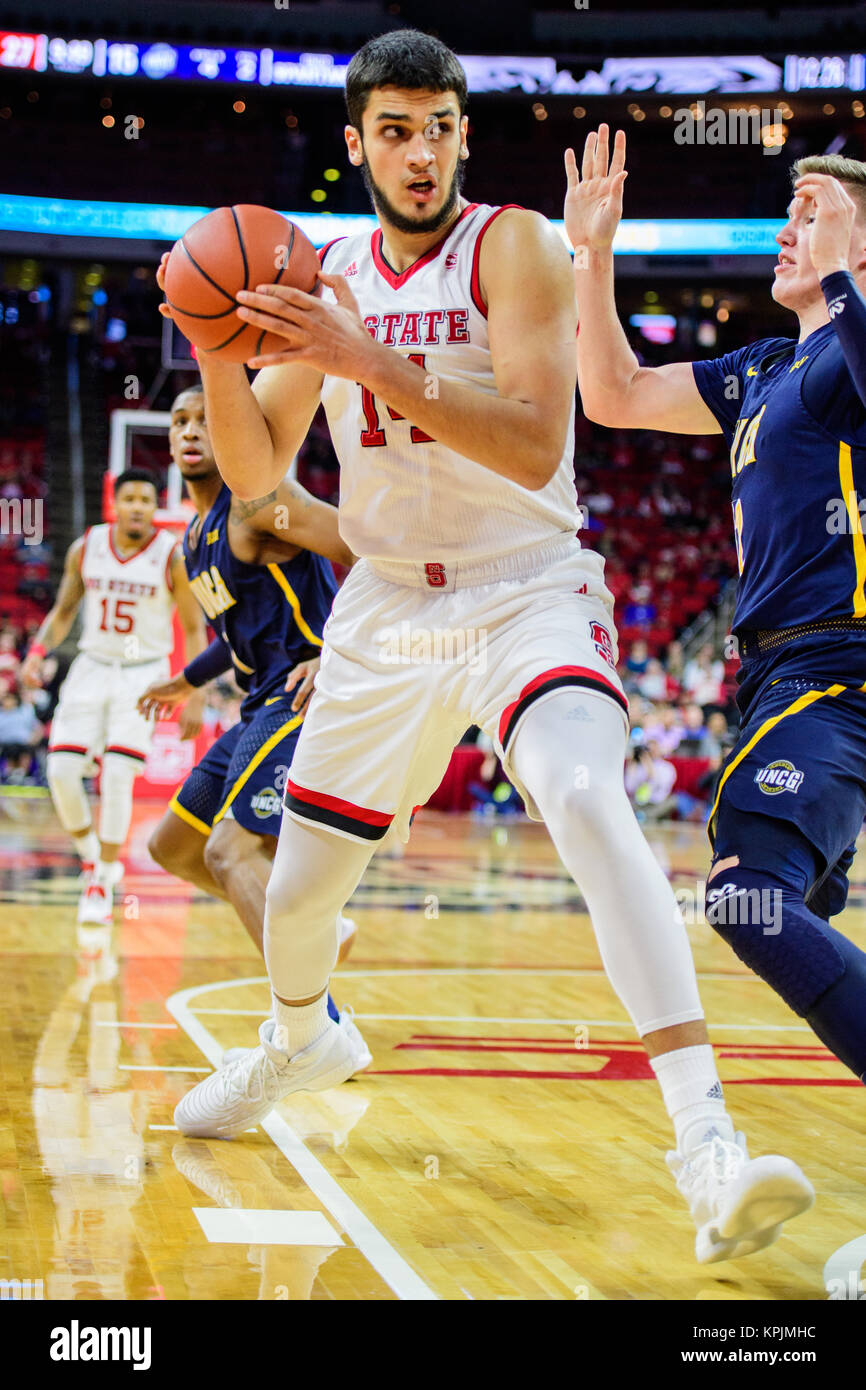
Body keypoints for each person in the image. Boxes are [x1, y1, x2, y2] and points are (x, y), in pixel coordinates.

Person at [167, 32, 812, 1264]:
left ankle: (704, 1142)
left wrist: (360, 355)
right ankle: (300, 1035)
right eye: (397, 129)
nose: (423, 152)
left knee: (582, 796)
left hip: (522, 590)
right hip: (385, 617)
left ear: (464, 134)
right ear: (355, 143)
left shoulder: (512, 241)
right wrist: (209, 328)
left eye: (443, 126)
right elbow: (258, 481)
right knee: (295, 903)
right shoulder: (328, 265)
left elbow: (528, 444)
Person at [567, 125, 866, 1097]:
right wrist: (592, 254)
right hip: (778, 675)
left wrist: (836, 283)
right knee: (762, 900)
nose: (788, 229)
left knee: (746, 900)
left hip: (840, 669)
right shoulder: (762, 369)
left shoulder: (848, 350)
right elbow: (611, 393)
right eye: (789, 211)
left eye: (812, 213)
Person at [138, 387, 366, 1046]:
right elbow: (236, 631)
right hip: (257, 702)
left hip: (308, 699)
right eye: (179, 421)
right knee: (172, 849)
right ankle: (319, 932)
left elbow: (369, 553)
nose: (189, 430)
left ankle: (311, 1031)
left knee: (230, 850)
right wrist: (186, 680)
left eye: (205, 418)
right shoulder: (191, 541)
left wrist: (337, 654)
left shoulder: (261, 502)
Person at [19, 470, 208, 926]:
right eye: (131, 499)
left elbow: (193, 627)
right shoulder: (86, 548)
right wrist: (38, 651)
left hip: (142, 676)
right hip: (91, 667)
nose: (139, 506)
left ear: (155, 506)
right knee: (61, 773)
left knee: (119, 775)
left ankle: (102, 879)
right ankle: (93, 857)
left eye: (147, 499)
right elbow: (64, 611)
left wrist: (195, 693)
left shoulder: (172, 556)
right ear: (115, 504)